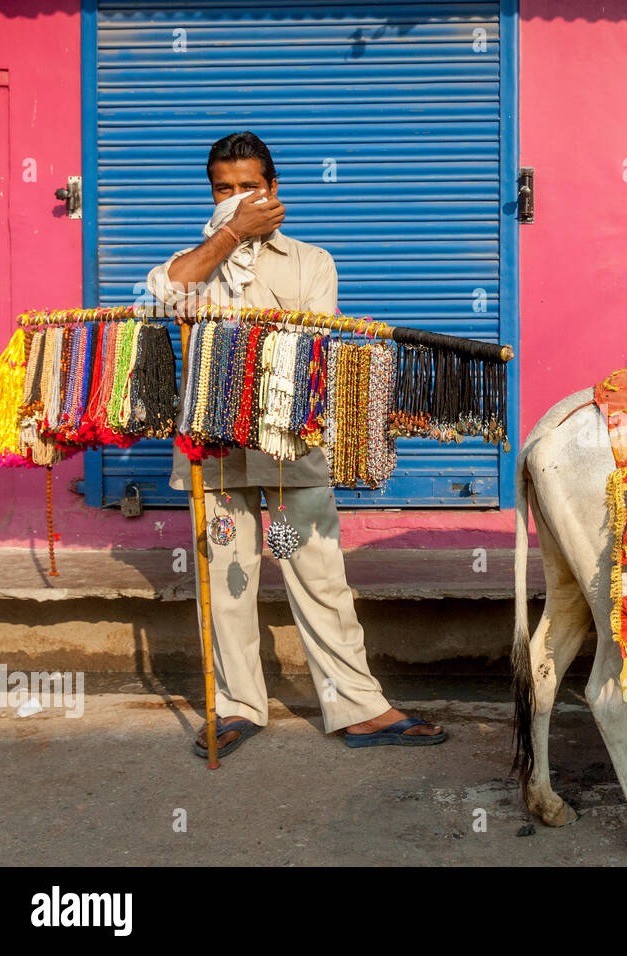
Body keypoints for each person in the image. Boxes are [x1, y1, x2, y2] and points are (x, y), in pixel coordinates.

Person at [146, 131, 445, 758]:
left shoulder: (312, 262)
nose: (236, 199)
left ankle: (358, 707)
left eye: (248, 188)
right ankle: (236, 708)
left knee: (322, 580)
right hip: (217, 452)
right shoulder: (195, 260)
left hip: (291, 454)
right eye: (223, 190)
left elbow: (311, 349)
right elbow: (165, 295)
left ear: (273, 190)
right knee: (226, 584)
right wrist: (227, 237)